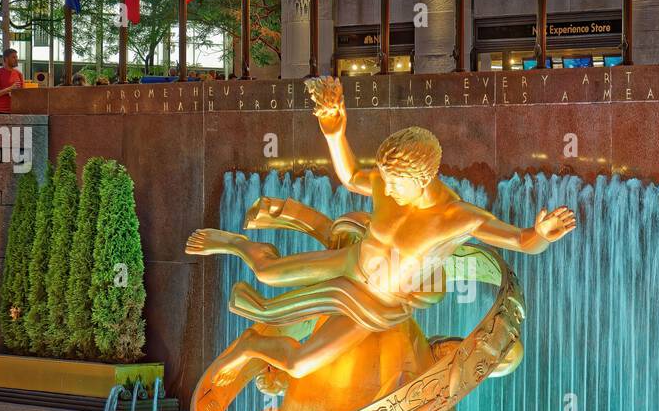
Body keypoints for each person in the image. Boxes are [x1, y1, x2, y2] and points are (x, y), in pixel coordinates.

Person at [186, 77, 577, 385]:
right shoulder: (389, 184)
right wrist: (335, 133)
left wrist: (541, 232)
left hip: (376, 303)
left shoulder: (455, 217)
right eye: (385, 179)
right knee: (267, 272)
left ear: (423, 178)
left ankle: (250, 347)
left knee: (301, 364)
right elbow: (353, 174)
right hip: (352, 262)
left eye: (394, 183)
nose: (384, 189)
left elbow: (521, 242)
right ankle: (237, 244)